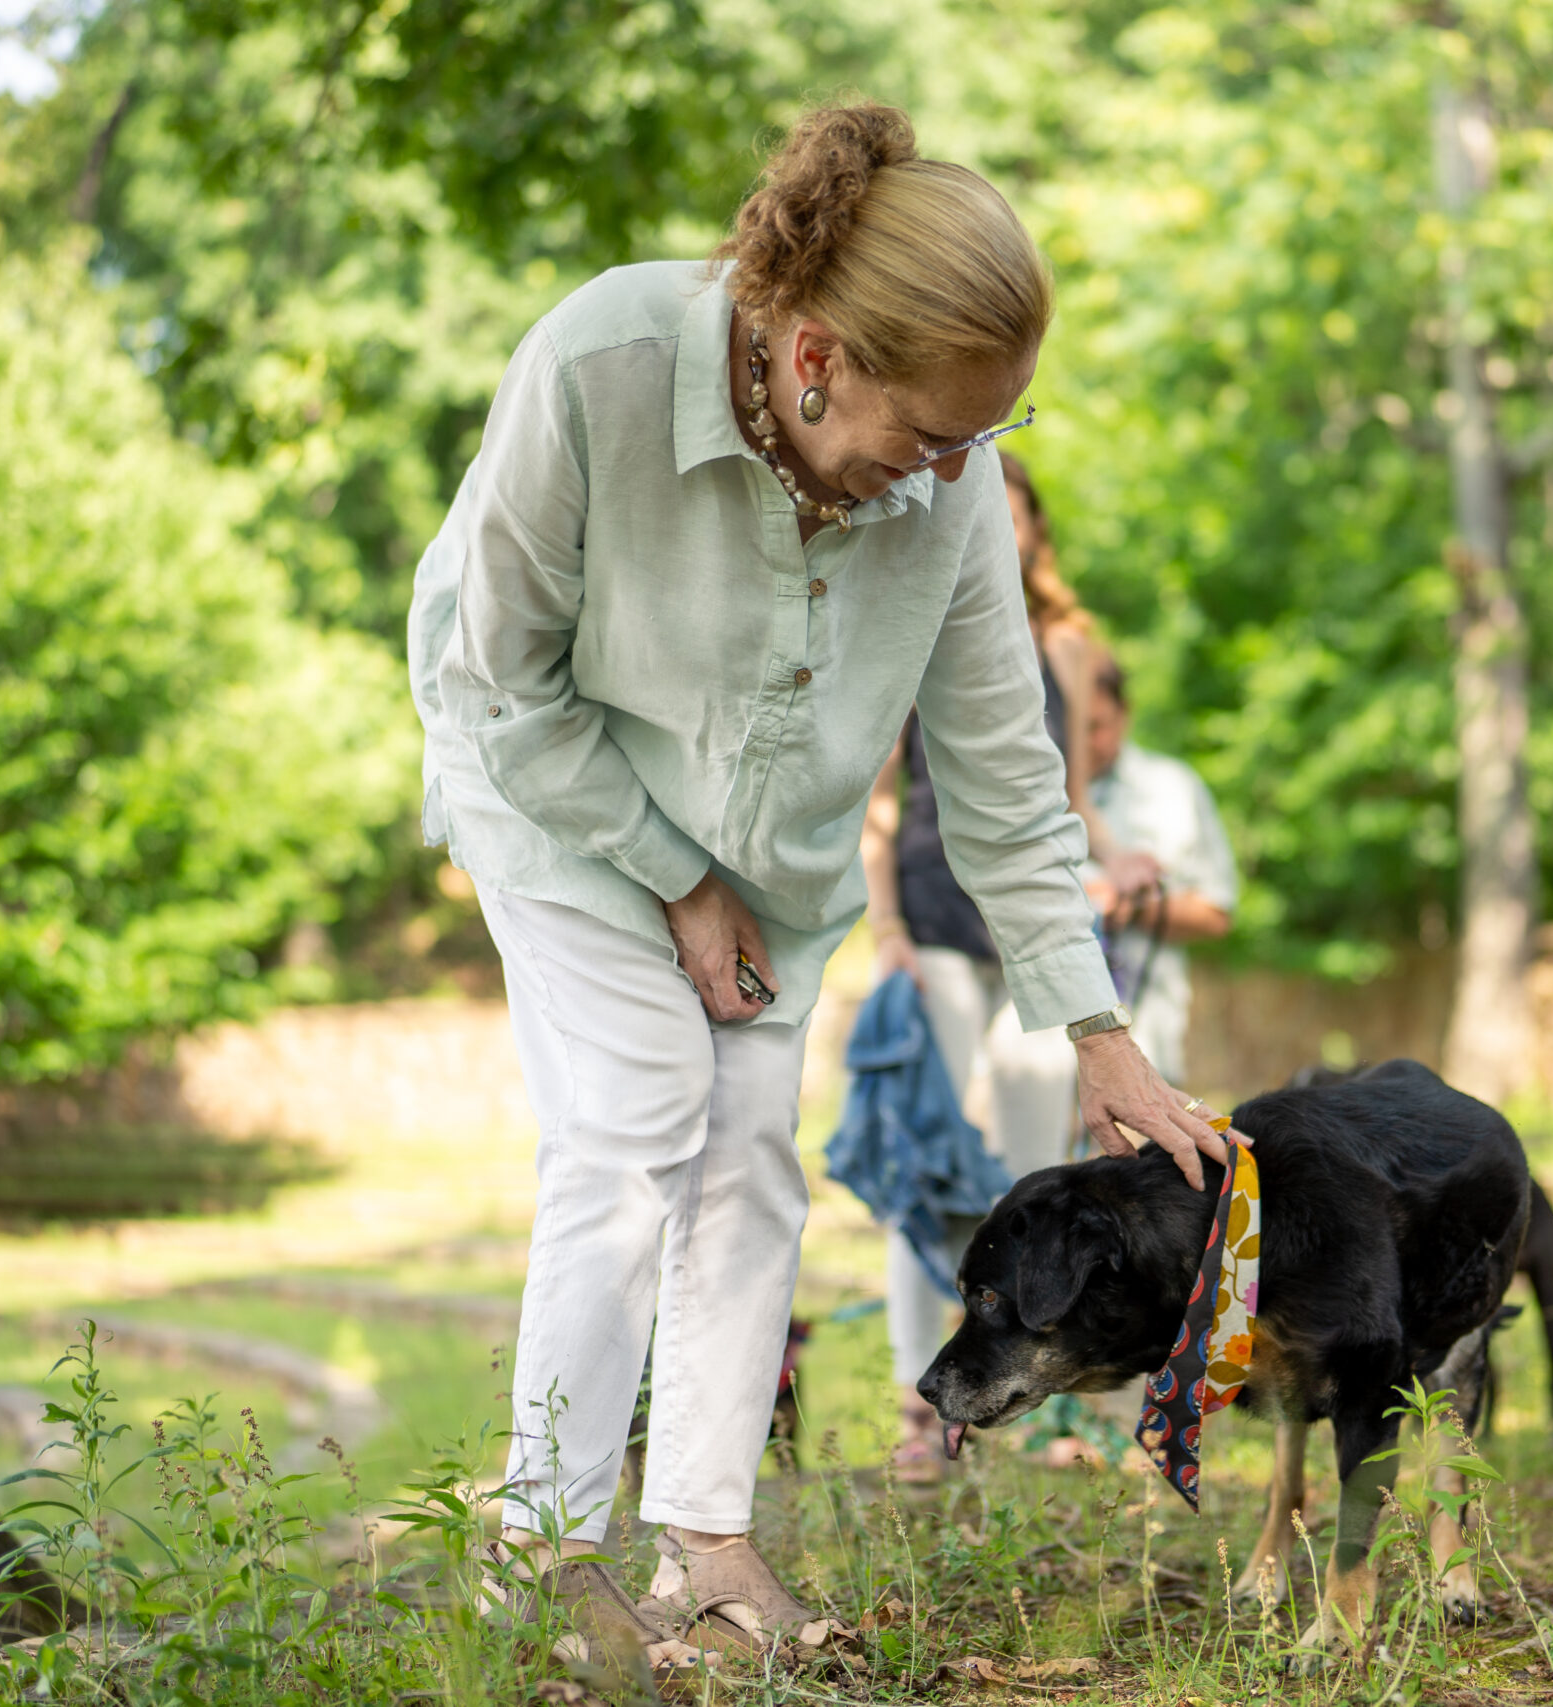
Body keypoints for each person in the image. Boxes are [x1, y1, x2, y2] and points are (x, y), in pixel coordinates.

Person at [404, 102, 1226, 1667]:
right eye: (931, 433)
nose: (957, 469)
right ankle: (544, 1549)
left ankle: (709, 1547)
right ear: (817, 354)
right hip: (557, 779)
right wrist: (667, 876)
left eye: (991, 437)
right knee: (638, 1111)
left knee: (748, 1158)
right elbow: (502, 684)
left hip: (768, 830)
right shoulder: (598, 367)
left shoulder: (953, 486)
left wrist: (1099, 1032)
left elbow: (1001, 777)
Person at [856, 454, 1151, 1479]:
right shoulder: (904, 609)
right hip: (933, 918)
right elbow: (879, 799)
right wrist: (884, 924)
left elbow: (1066, 793)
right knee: (931, 1172)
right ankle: (916, 1407)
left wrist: (1116, 862)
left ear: (1032, 530)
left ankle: (1049, 1395)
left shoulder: (1065, 649)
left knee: (1034, 1183)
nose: (999, 527)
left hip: (1028, 925)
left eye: (1015, 513)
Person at [1082, 658, 1237, 1083]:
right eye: (1071, 726)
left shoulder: (1173, 789)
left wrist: (1129, 906)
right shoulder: (1024, 795)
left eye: (1096, 726)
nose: (1084, 742)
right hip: (1035, 1054)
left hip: (1147, 1035)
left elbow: (1217, 913)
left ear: (1124, 714)